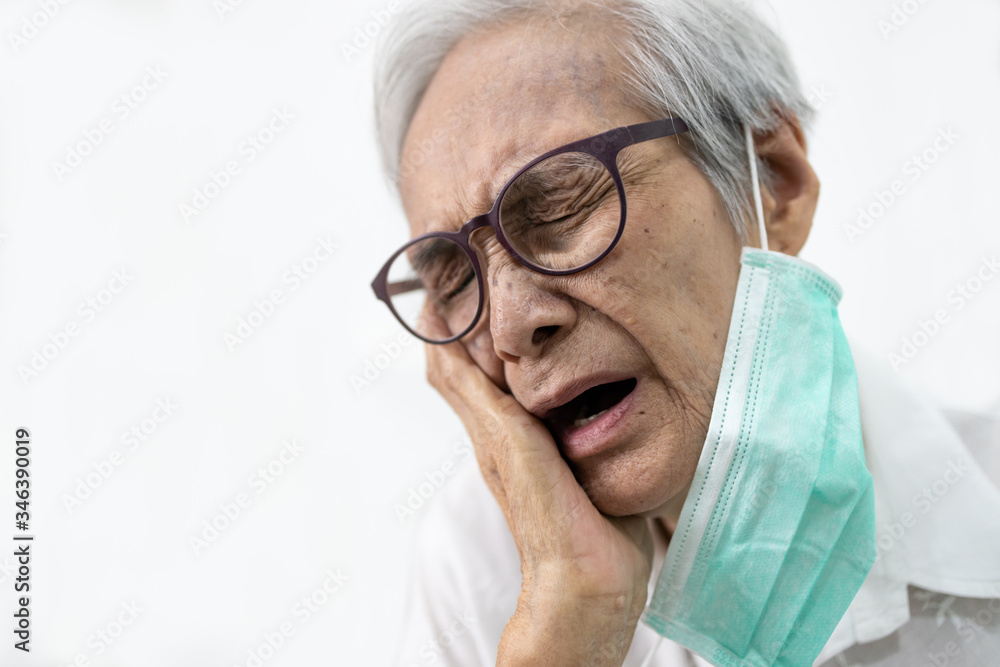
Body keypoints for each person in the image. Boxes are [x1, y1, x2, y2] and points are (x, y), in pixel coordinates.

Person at [367, 0, 1000, 664]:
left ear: (773, 185)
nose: (512, 325)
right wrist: (572, 627)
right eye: (454, 277)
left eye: (560, 202)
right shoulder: (480, 571)